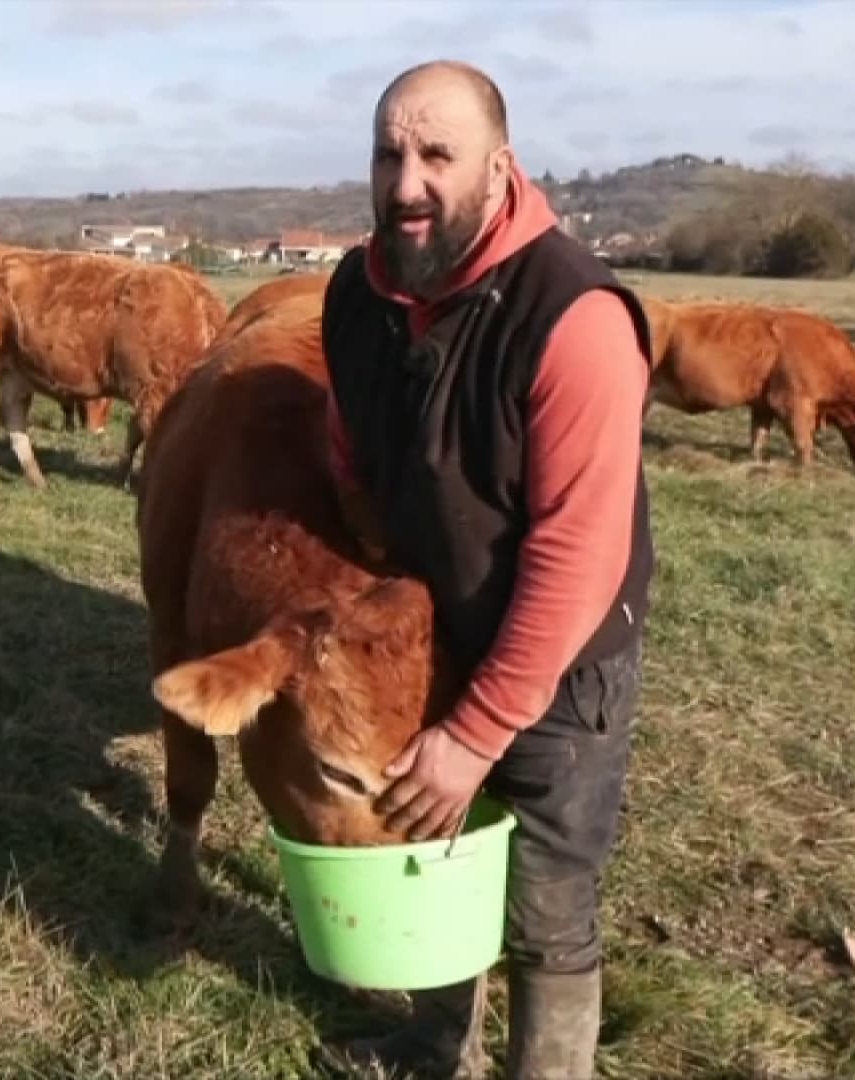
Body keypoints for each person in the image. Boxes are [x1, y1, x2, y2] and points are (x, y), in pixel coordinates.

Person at [320, 60, 653, 1078]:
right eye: (389, 154)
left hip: (565, 651)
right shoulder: (358, 292)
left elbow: (574, 557)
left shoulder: (574, 317)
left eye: (436, 155)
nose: (407, 184)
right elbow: (349, 456)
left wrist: (475, 730)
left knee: (548, 894)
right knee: (438, 845)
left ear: (501, 167)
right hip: (434, 622)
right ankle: (433, 1048)